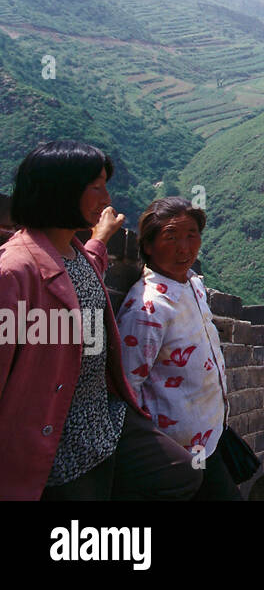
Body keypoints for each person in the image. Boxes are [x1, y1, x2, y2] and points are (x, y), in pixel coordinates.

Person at [0, 140, 202, 500]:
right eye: (96, 186)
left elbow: (78, 277)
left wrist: (100, 240)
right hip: (59, 434)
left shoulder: (72, 252)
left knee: (180, 474)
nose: (106, 196)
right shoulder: (14, 272)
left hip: (103, 413)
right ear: (61, 189)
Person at [117, 197, 242, 500]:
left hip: (209, 438)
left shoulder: (193, 284)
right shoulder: (148, 309)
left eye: (191, 235)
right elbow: (125, 389)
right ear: (148, 245)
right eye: (170, 237)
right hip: (176, 451)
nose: (184, 248)